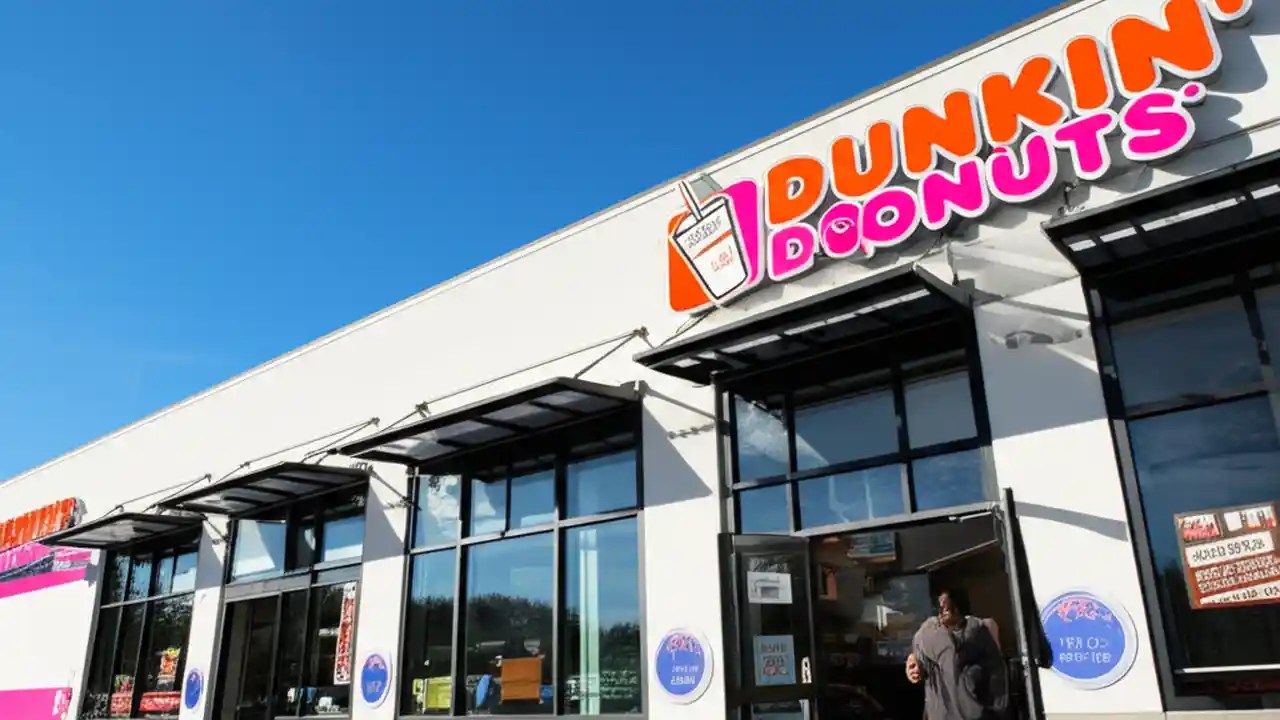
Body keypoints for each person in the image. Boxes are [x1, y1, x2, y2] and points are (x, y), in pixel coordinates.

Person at [904, 587, 1009, 720]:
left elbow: (996, 672)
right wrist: (913, 664)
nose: (945, 610)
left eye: (949, 606)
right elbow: (917, 659)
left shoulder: (978, 630)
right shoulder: (929, 632)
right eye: (941, 606)